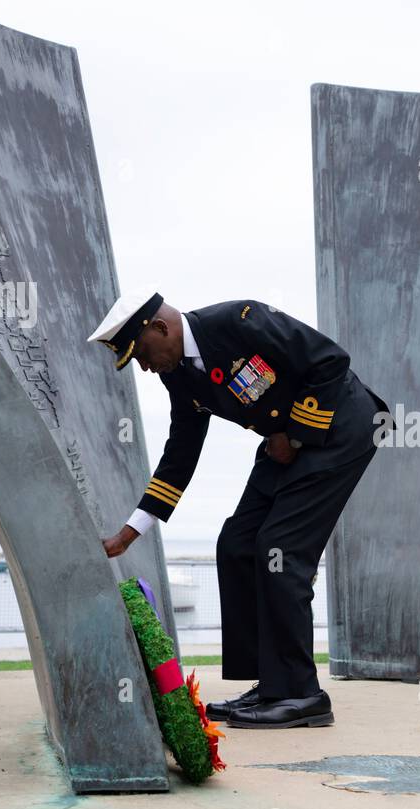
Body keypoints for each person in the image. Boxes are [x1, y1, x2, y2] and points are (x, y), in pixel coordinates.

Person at [89, 286, 390, 729]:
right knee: (237, 544)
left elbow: (330, 361)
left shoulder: (239, 321)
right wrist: (128, 533)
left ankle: (303, 694)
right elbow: (180, 454)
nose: (146, 367)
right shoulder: (180, 376)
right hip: (286, 443)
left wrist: (296, 435)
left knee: (280, 550)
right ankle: (273, 684)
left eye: (142, 354)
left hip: (342, 427)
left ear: (161, 327)